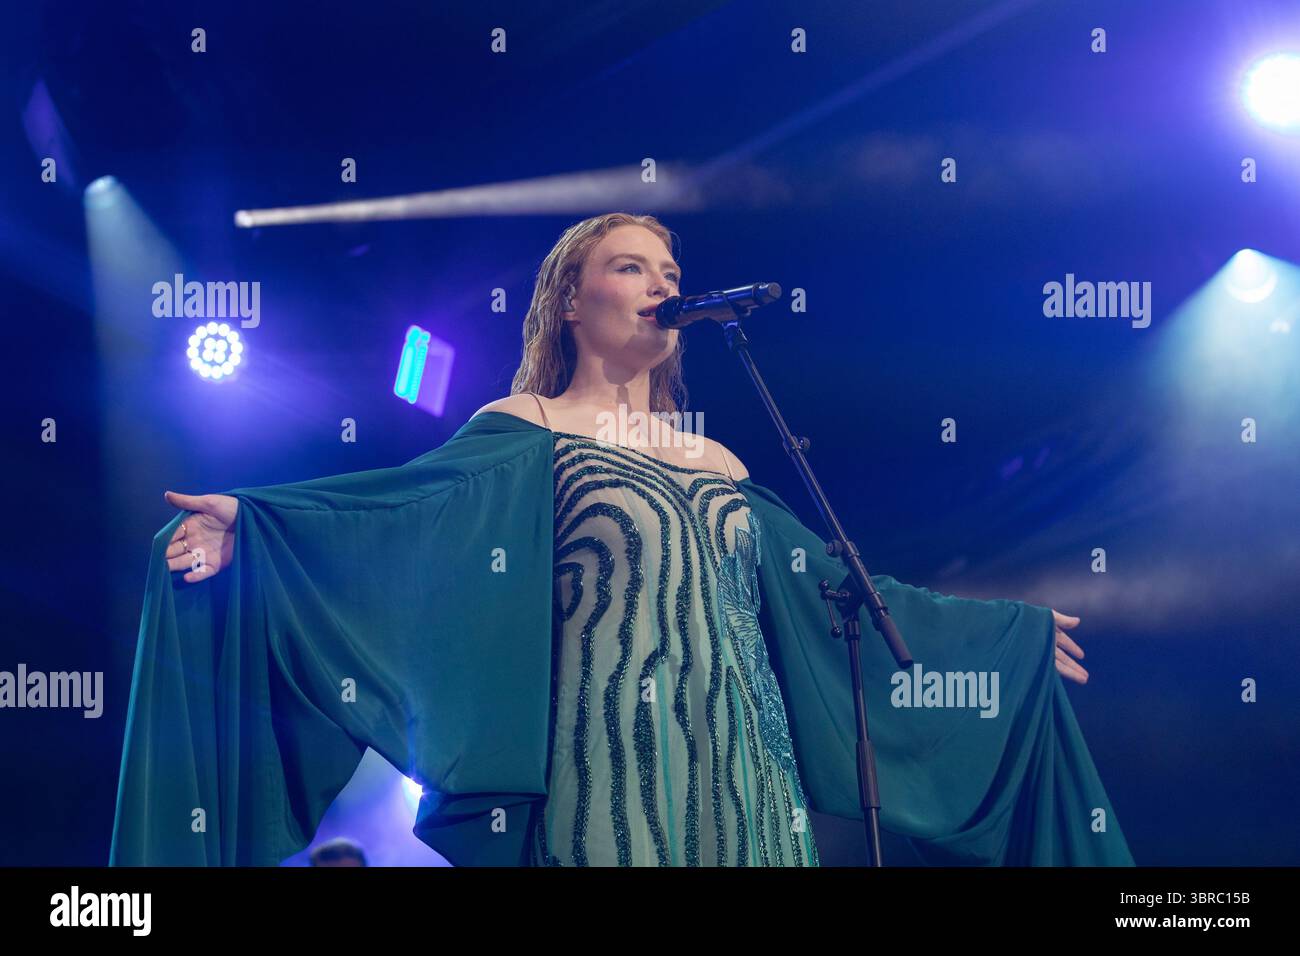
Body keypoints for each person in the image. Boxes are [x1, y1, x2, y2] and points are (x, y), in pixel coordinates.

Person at [113, 213, 1128, 867]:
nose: (660, 281)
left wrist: (1002, 639)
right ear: (572, 297)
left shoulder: (718, 458)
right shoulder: (528, 425)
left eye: (670, 267)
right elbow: (401, 517)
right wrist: (252, 526)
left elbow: (844, 593)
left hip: (747, 762)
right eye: (630, 264)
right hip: (608, 756)